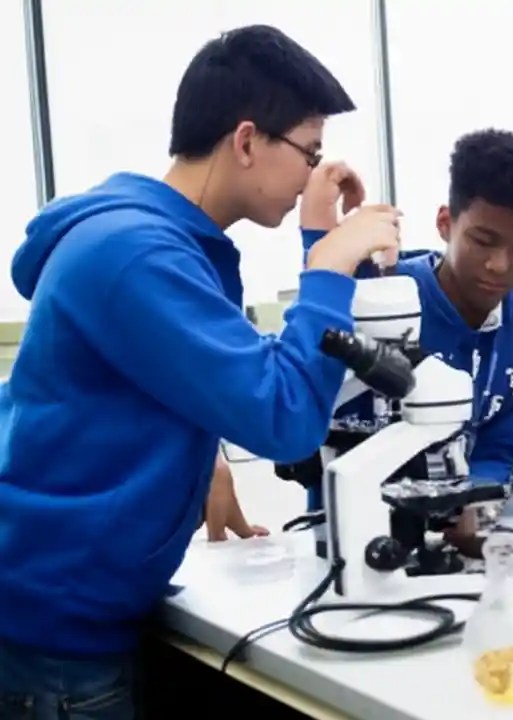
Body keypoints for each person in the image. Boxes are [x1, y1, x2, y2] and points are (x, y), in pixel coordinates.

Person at [0, 24, 399, 719]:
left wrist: (316, 237)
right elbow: (284, 420)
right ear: (247, 141)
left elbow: (189, 381)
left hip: (70, 617)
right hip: (53, 641)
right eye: (309, 152)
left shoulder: (150, 243)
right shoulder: (137, 254)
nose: (314, 171)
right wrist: (328, 265)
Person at [296, 128, 513, 515]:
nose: (499, 265)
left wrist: (470, 509)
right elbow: (310, 359)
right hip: (348, 524)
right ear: (445, 223)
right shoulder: (382, 294)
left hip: (460, 535)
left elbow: (503, 451)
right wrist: (315, 234)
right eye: (482, 241)